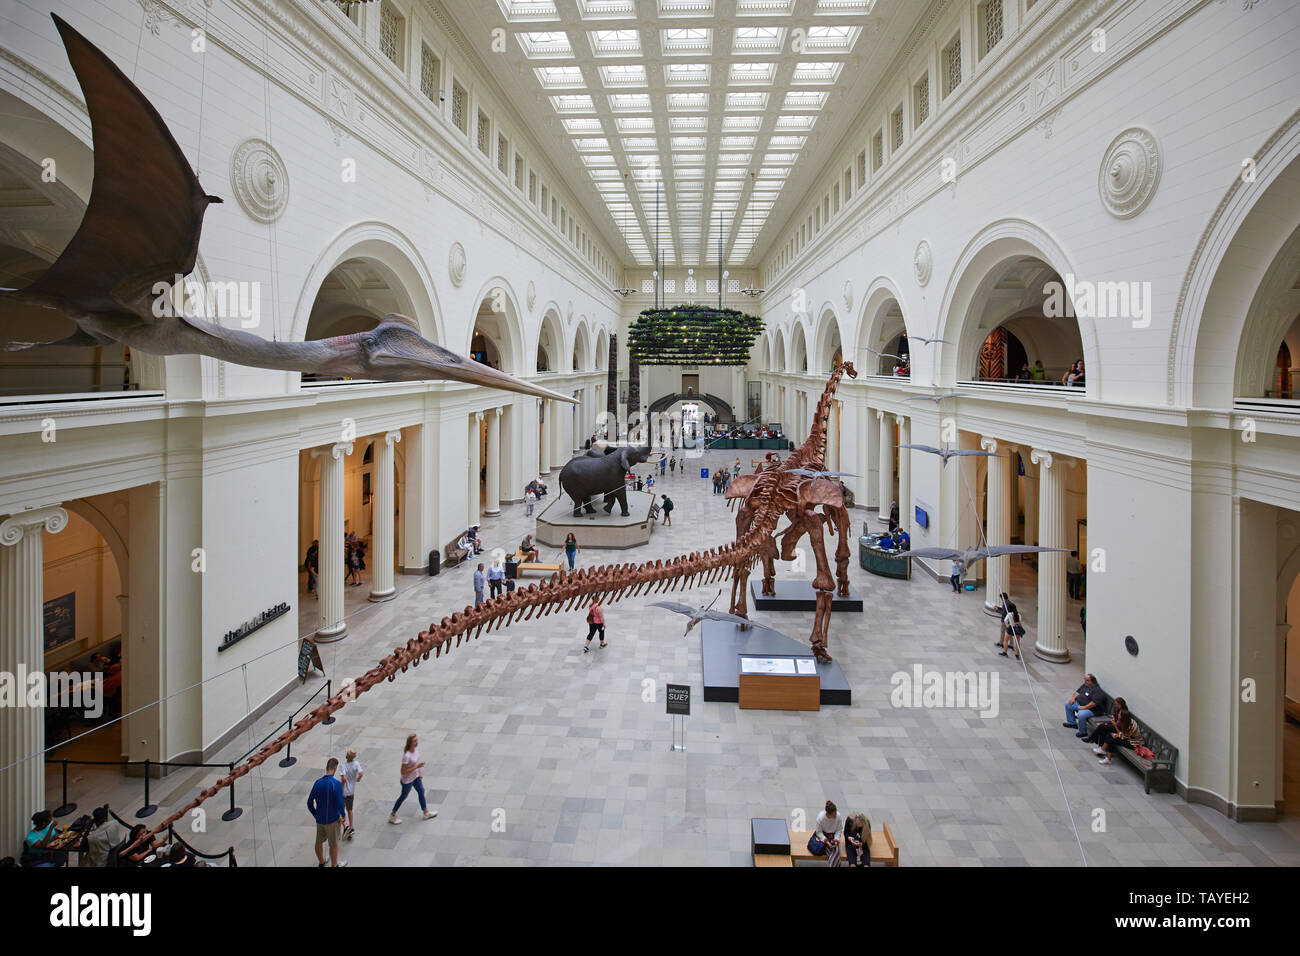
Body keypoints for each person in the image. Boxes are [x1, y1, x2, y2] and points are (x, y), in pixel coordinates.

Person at [307, 757, 347, 868]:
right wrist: (343, 815)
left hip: (320, 820)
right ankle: (334, 865)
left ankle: (321, 861)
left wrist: (315, 814)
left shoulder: (317, 783)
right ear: (335, 768)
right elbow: (339, 802)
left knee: (318, 842)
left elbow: (309, 802)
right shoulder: (336, 784)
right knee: (333, 844)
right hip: (332, 820)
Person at [389, 734, 437, 824]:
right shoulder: (406, 756)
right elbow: (403, 771)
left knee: (421, 791)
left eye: (417, 740)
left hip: (416, 777)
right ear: (410, 743)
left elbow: (417, 763)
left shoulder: (415, 750)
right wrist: (416, 767)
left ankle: (425, 812)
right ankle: (392, 814)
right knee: (403, 796)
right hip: (407, 781)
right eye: (414, 741)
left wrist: (419, 773)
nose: (416, 742)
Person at [1064, 673, 1105, 738]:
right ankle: (1072, 723)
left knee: (1081, 714)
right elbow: (1077, 692)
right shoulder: (1085, 685)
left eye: (1087, 680)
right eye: (1085, 680)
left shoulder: (1097, 691)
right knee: (1068, 704)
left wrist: (1084, 707)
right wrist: (1073, 698)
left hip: (1092, 709)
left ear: (1092, 682)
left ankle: (1082, 732)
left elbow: (1093, 704)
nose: (1085, 681)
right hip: (1081, 704)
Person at [809, 800, 842, 866]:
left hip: (833, 837)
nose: (835, 815)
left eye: (835, 813)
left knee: (836, 851)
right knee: (835, 853)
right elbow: (819, 832)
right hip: (823, 837)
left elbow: (839, 829)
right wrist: (826, 842)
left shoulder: (838, 816)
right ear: (828, 814)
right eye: (833, 814)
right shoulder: (821, 818)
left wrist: (836, 839)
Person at [341, 748, 363, 840]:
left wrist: (341, 789)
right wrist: (358, 779)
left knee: (341, 810)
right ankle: (351, 827)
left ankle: (345, 826)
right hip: (351, 791)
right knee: (350, 809)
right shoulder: (356, 764)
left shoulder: (343, 765)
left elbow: (344, 779)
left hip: (344, 791)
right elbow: (361, 773)